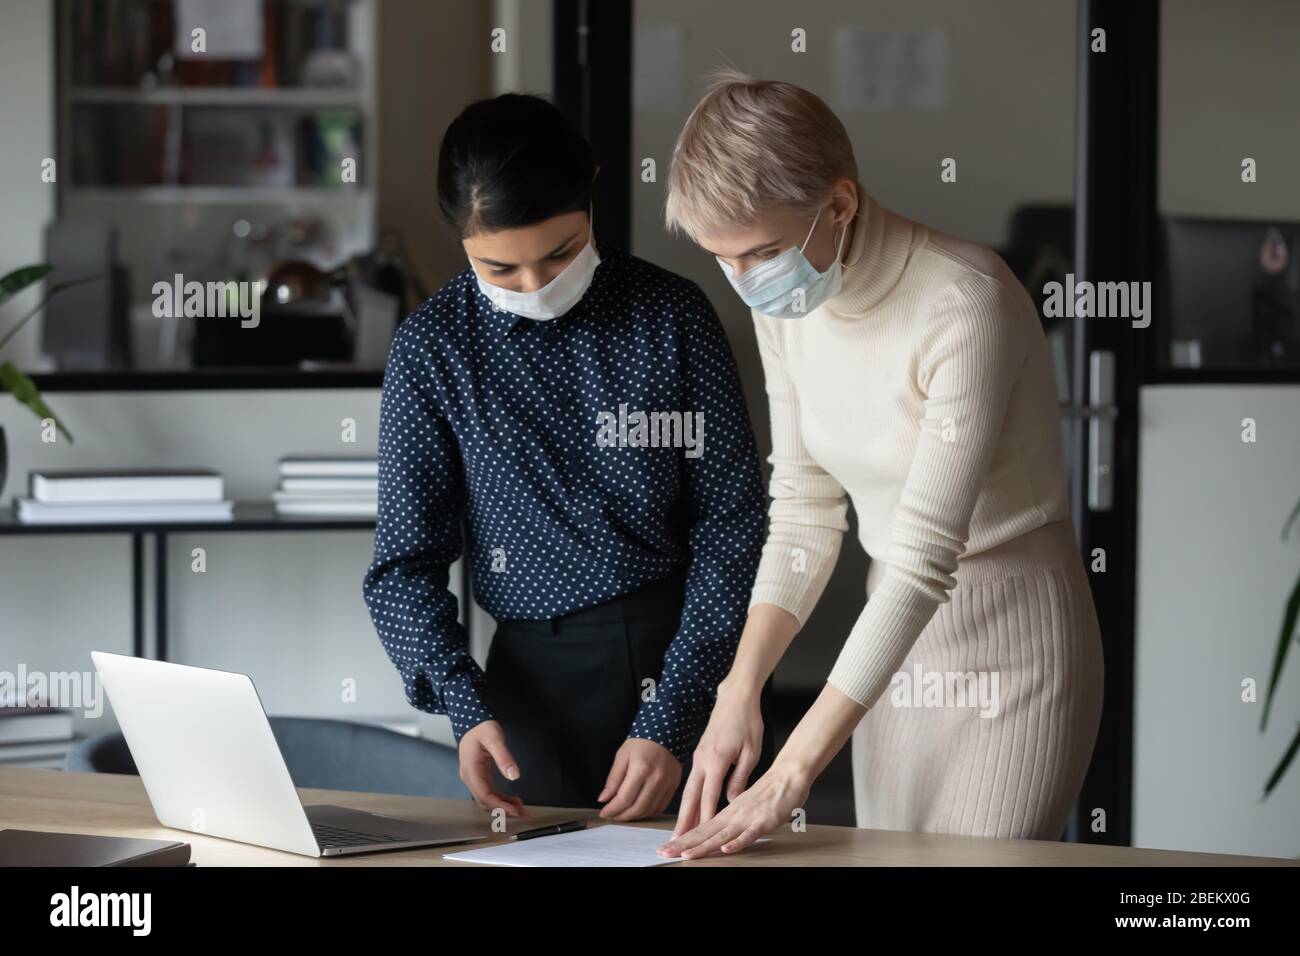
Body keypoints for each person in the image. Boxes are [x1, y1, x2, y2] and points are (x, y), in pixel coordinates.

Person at [656, 71, 1104, 858]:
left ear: (840, 203)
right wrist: (740, 688)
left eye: (762, 251)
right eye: (724, 259)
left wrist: (794, 770)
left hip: (1013, 640)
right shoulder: (785, 308)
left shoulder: (966, 302)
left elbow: (928, 557)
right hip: (892, 641)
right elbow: (802, 508)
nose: (746, 279)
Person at [362, 93, 772, 822]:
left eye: (557, 254)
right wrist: (463, 703)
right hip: (528, 683)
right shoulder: (433, 349)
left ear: (591, 186)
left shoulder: (673, 315)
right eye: (499, 269)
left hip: (687, 650)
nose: (535, 287)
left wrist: (674, 713)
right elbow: (404, 564)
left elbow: (732, 525)